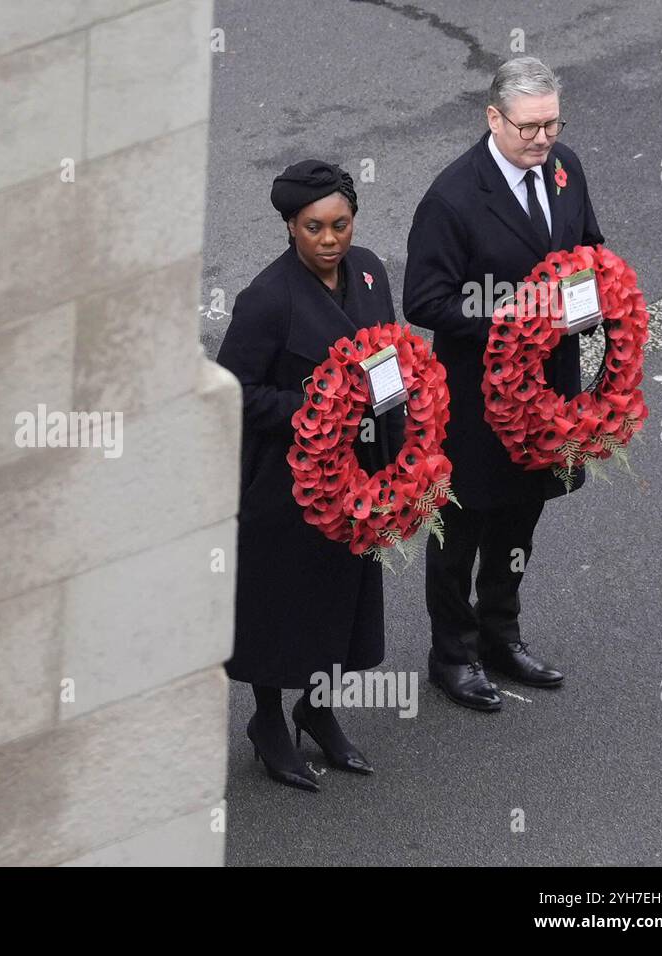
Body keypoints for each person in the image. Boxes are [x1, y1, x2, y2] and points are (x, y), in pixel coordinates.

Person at [403, 56, 604, 711]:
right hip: (474, 401)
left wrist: (593, 297)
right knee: (461, 531)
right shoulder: (453, 198)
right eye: (529, 127)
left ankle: (500, 637)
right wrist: (518, 313)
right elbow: (426, 302)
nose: (543, 139)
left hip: (549, 395)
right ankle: (451, 655)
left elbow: (591, 251)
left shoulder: (567, 168)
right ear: (494, 117)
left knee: (520, 521)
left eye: (551, 123)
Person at [216, 160, 404, 791]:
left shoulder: (372, 269)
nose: (331, 240)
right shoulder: (267, 299)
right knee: (279, 609)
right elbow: (231, 393)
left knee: (343, 601)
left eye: (341, 224)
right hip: (285, 486)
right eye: (315, 227)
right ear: (290, 228)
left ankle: (317, 709)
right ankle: (268, 721)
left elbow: (391, 352)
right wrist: (317, 410)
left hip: (360, 473)